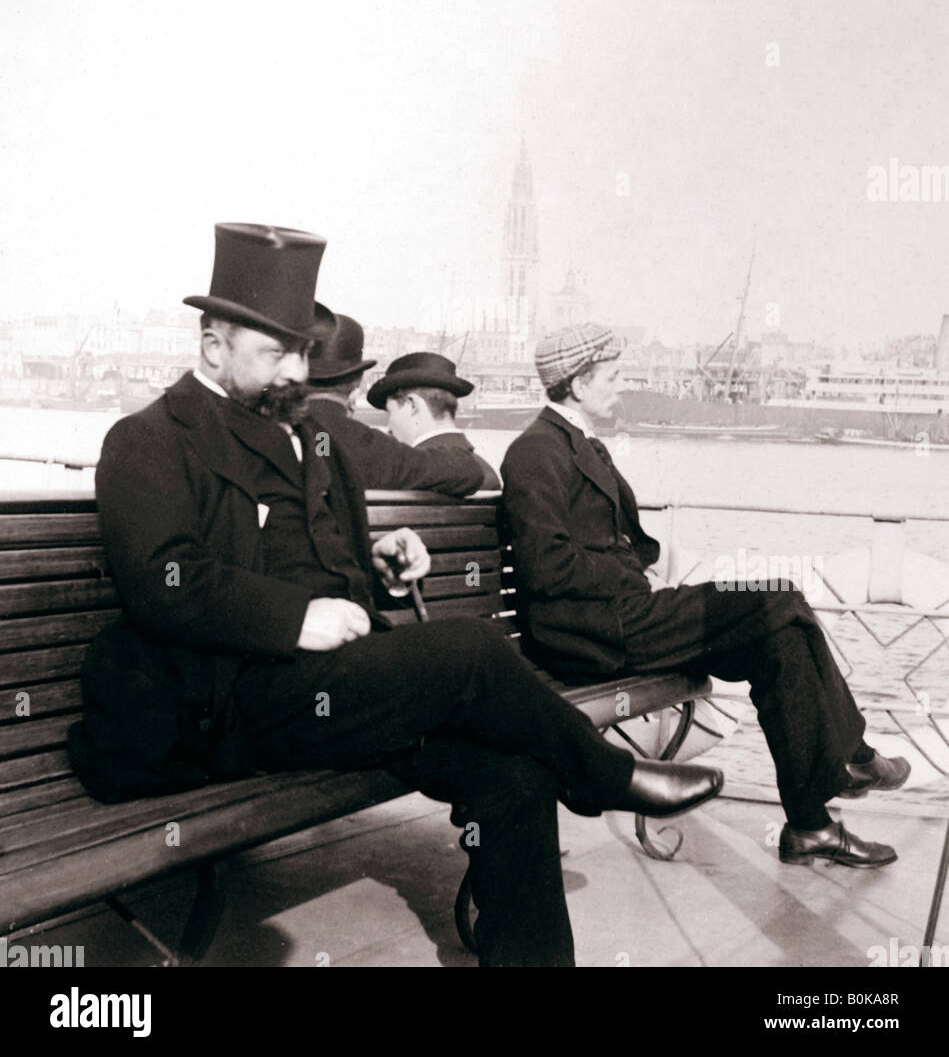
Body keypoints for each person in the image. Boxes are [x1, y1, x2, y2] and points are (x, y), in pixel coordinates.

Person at [69, 226, 723, 969]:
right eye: (274, 352)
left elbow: (323, 558)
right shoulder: (150, 438)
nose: (295, 370)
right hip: (226, 702)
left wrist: (381, 562)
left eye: (303, 352)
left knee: (512, 772)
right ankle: (605, 777)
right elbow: (162, 580)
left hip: (329, 689)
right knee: (471, 646)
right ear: (213, 348)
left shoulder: (308, 437)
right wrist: (293, 617)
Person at [501, 322, 911, 872]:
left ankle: (810, 826)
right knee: (778, 595)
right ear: (578, 384)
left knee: (782, 641)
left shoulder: (571, 444)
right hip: (594, 632)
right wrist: (631, 582)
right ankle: (854, 756)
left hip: (622, 615)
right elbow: (543, 565)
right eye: (614, 376)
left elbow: (620, 544)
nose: (622, 386)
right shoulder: (535, 451)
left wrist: (641, 579)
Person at [306, 313, 486, 495]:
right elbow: (467, 470)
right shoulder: (360, 445)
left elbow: (323, 448)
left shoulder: (307, 433)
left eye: (389, 413)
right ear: (355, 390)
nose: (388, 428)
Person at [368, 352, 501, 488]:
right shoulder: (487, 473)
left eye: (391, 413)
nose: (388, 427)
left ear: (412, 404)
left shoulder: (405, 475)